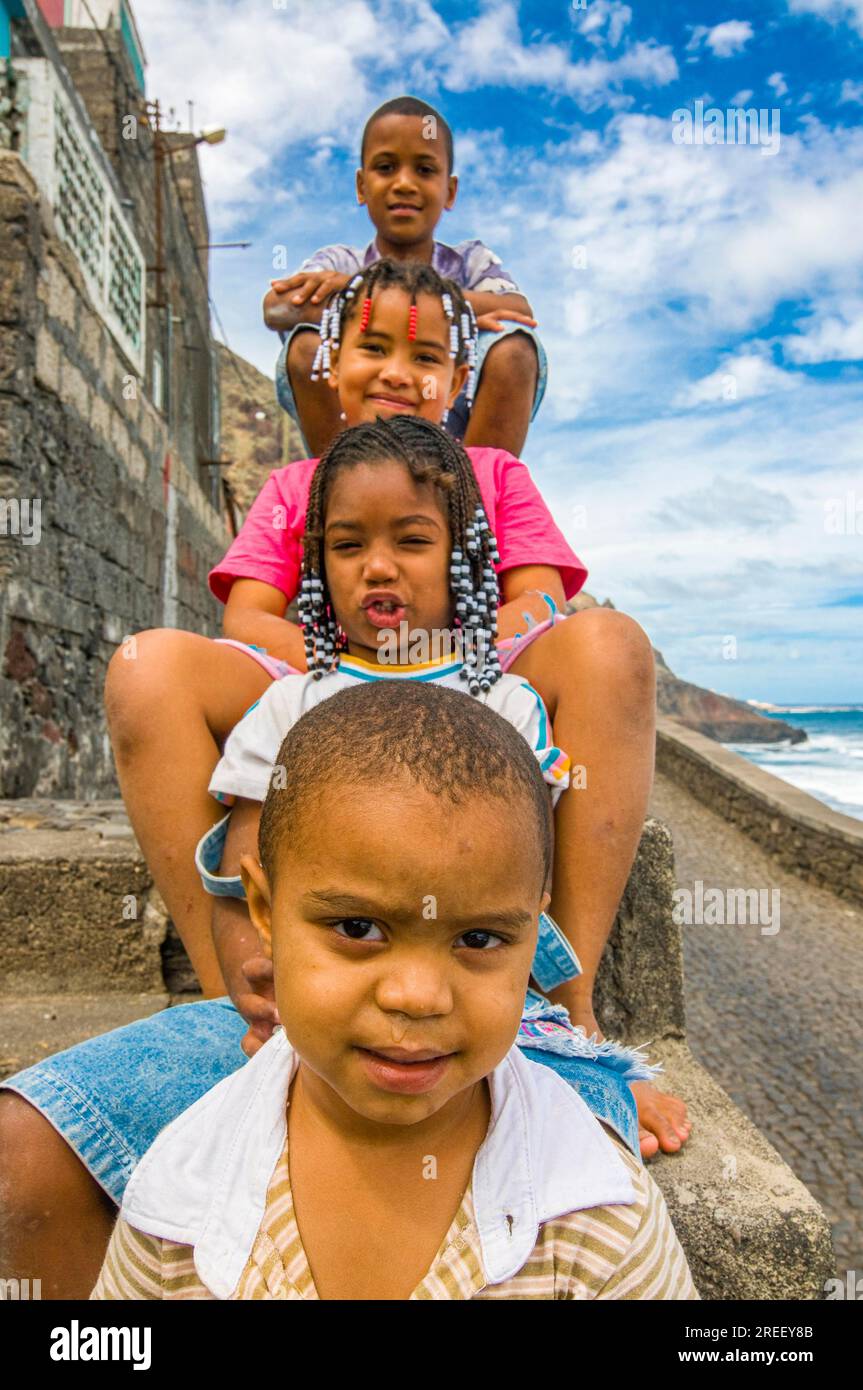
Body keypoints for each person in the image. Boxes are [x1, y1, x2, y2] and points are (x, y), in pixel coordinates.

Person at [0, 266, 685, 1297]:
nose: (379, 565)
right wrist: (256, 946)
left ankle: (557, 1013)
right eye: (347, 544)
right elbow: (243, 774)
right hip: (295, 984)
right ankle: (256, 989)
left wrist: (451, 654)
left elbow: (541, 631)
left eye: (413, 539)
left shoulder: (503, 703)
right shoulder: (292, 705)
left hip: (501, 976)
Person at [93, 682, 698, 1301]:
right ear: (264, 912)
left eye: (481, 939)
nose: (418, 997)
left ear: (534, 931)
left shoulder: (597, 1216)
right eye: (359, 928)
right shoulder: (179, 1196)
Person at [264, 94, 544, 457]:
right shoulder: (340, 260)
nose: (405, 184)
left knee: (515, 351)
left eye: (425, 170)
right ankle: (338, 489)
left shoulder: (471, 261)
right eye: (386, 167)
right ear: (362, 186)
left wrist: (356, 295)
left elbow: (518, 310)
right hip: (361, 426)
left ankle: (475, 502)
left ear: (450, 191)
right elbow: (277, 309)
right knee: (304, 348)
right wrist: (450, 313)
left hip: (451, 444)